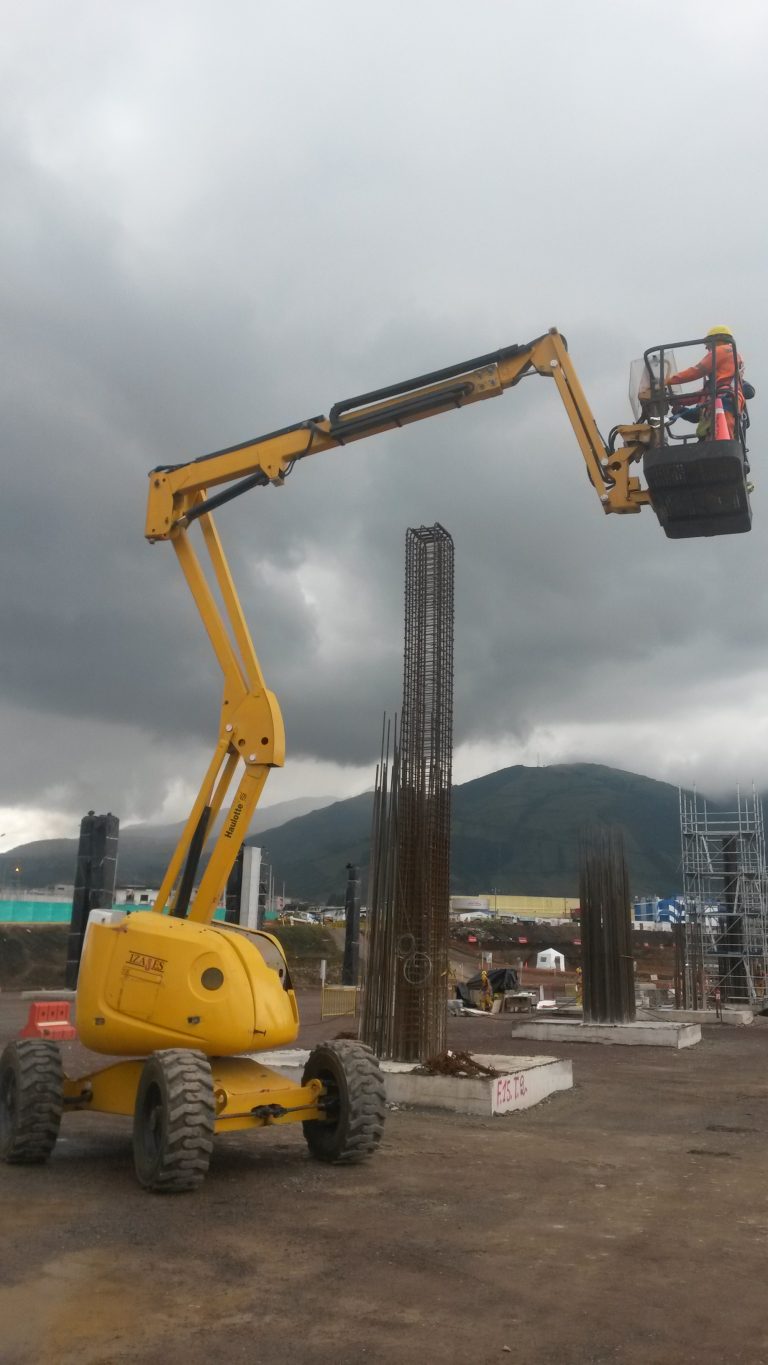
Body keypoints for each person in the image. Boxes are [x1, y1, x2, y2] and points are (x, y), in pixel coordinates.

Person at [664, 326, 749, 440]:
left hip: (724, 404)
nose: (706, 347)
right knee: (717, 438)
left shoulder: (722, 350)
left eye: (707, 343)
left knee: (720, 441)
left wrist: (668, 380)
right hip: (724, 402)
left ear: (717, 339)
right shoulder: (725, 373)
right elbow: (704, 394)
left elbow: (697, 370)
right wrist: (678, 400)